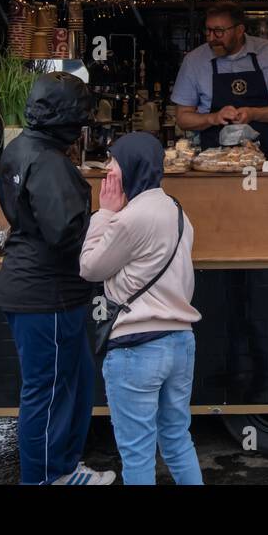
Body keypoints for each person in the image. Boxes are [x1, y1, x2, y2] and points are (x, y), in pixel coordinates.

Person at [0, 72, 112, 485]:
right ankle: (47, 478)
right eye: (80, 122)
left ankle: (63, 468)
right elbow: (66, 235)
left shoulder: (18, 149)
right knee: (50, 392)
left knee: (71, 385)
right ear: (68, 121)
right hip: (49, 294)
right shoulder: (49, 163)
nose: (82, 131)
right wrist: (109, 226)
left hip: (33, 288)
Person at [80, 132, 203, 485]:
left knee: (137, 454)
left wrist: (103, 213)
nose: (108, 169)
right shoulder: (178, 212)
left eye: (114, 161)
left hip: (137, 348)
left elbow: (90, 268)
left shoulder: (129, 218)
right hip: (181, 342)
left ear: (132, 165)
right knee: (178, 440)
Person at [172, 2, 268, 159]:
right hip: (213, 163)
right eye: (208, 30)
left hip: (265, 160)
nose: (211, 38)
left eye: (219, 31)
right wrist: (213, 118)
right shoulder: (194, 60)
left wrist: (253, 113)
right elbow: (183, 118)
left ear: (239, 30)